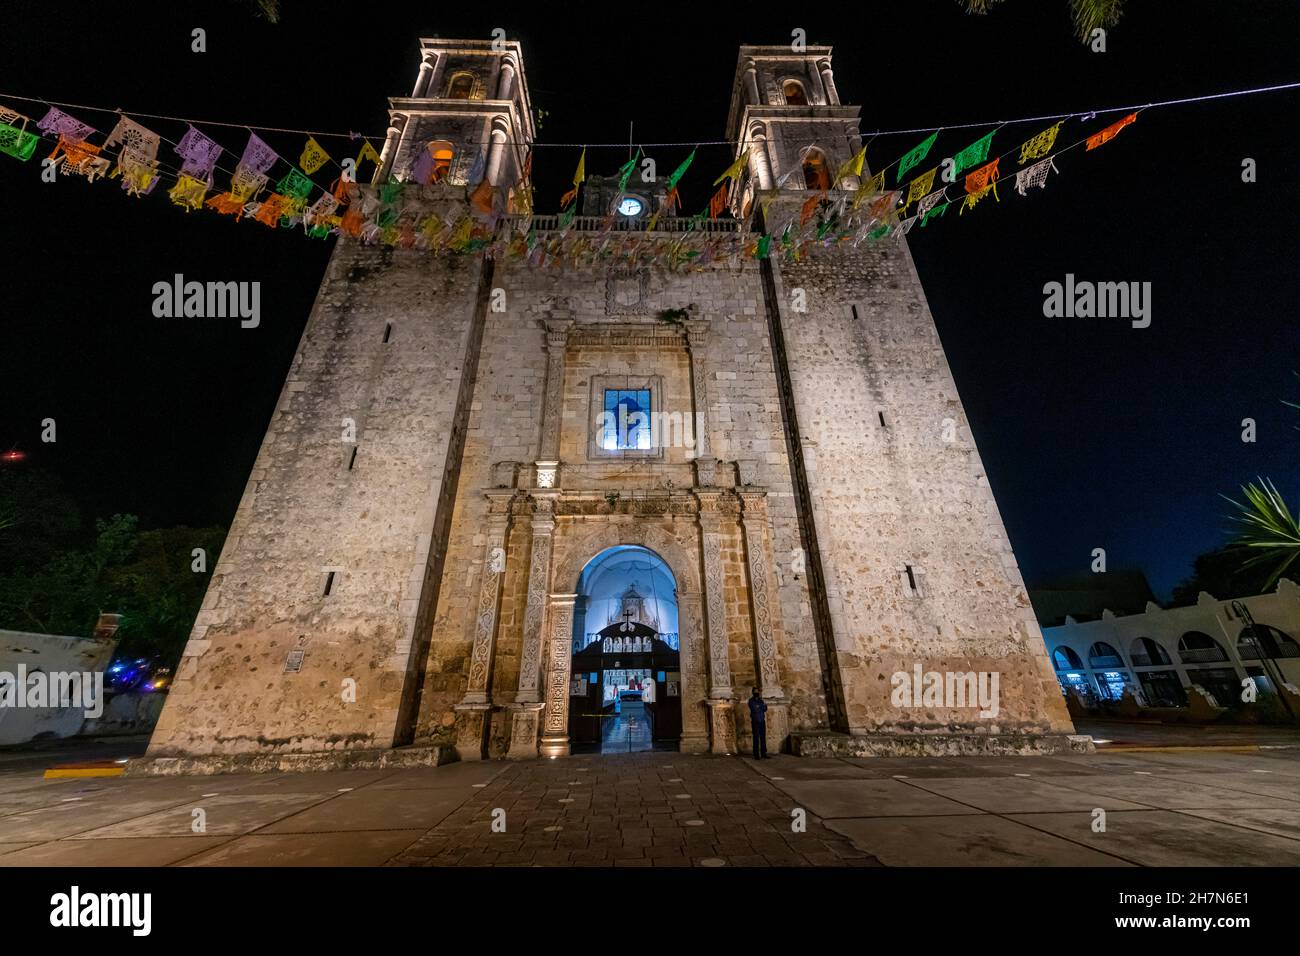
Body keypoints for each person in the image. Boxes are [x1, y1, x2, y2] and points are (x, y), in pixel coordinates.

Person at [748, 688, 768, 759]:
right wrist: (761, 706)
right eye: (755, 691)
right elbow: (754, 709)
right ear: (753, 692)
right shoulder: (751, 701)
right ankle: (756, 754)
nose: (757, 692)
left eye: (757, 691)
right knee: (756, 738)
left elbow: (765, 708)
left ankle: (763, 753)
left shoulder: (761, 700)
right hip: (755, 721)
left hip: (762, 720)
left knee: (763, 737)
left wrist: (760, 706)